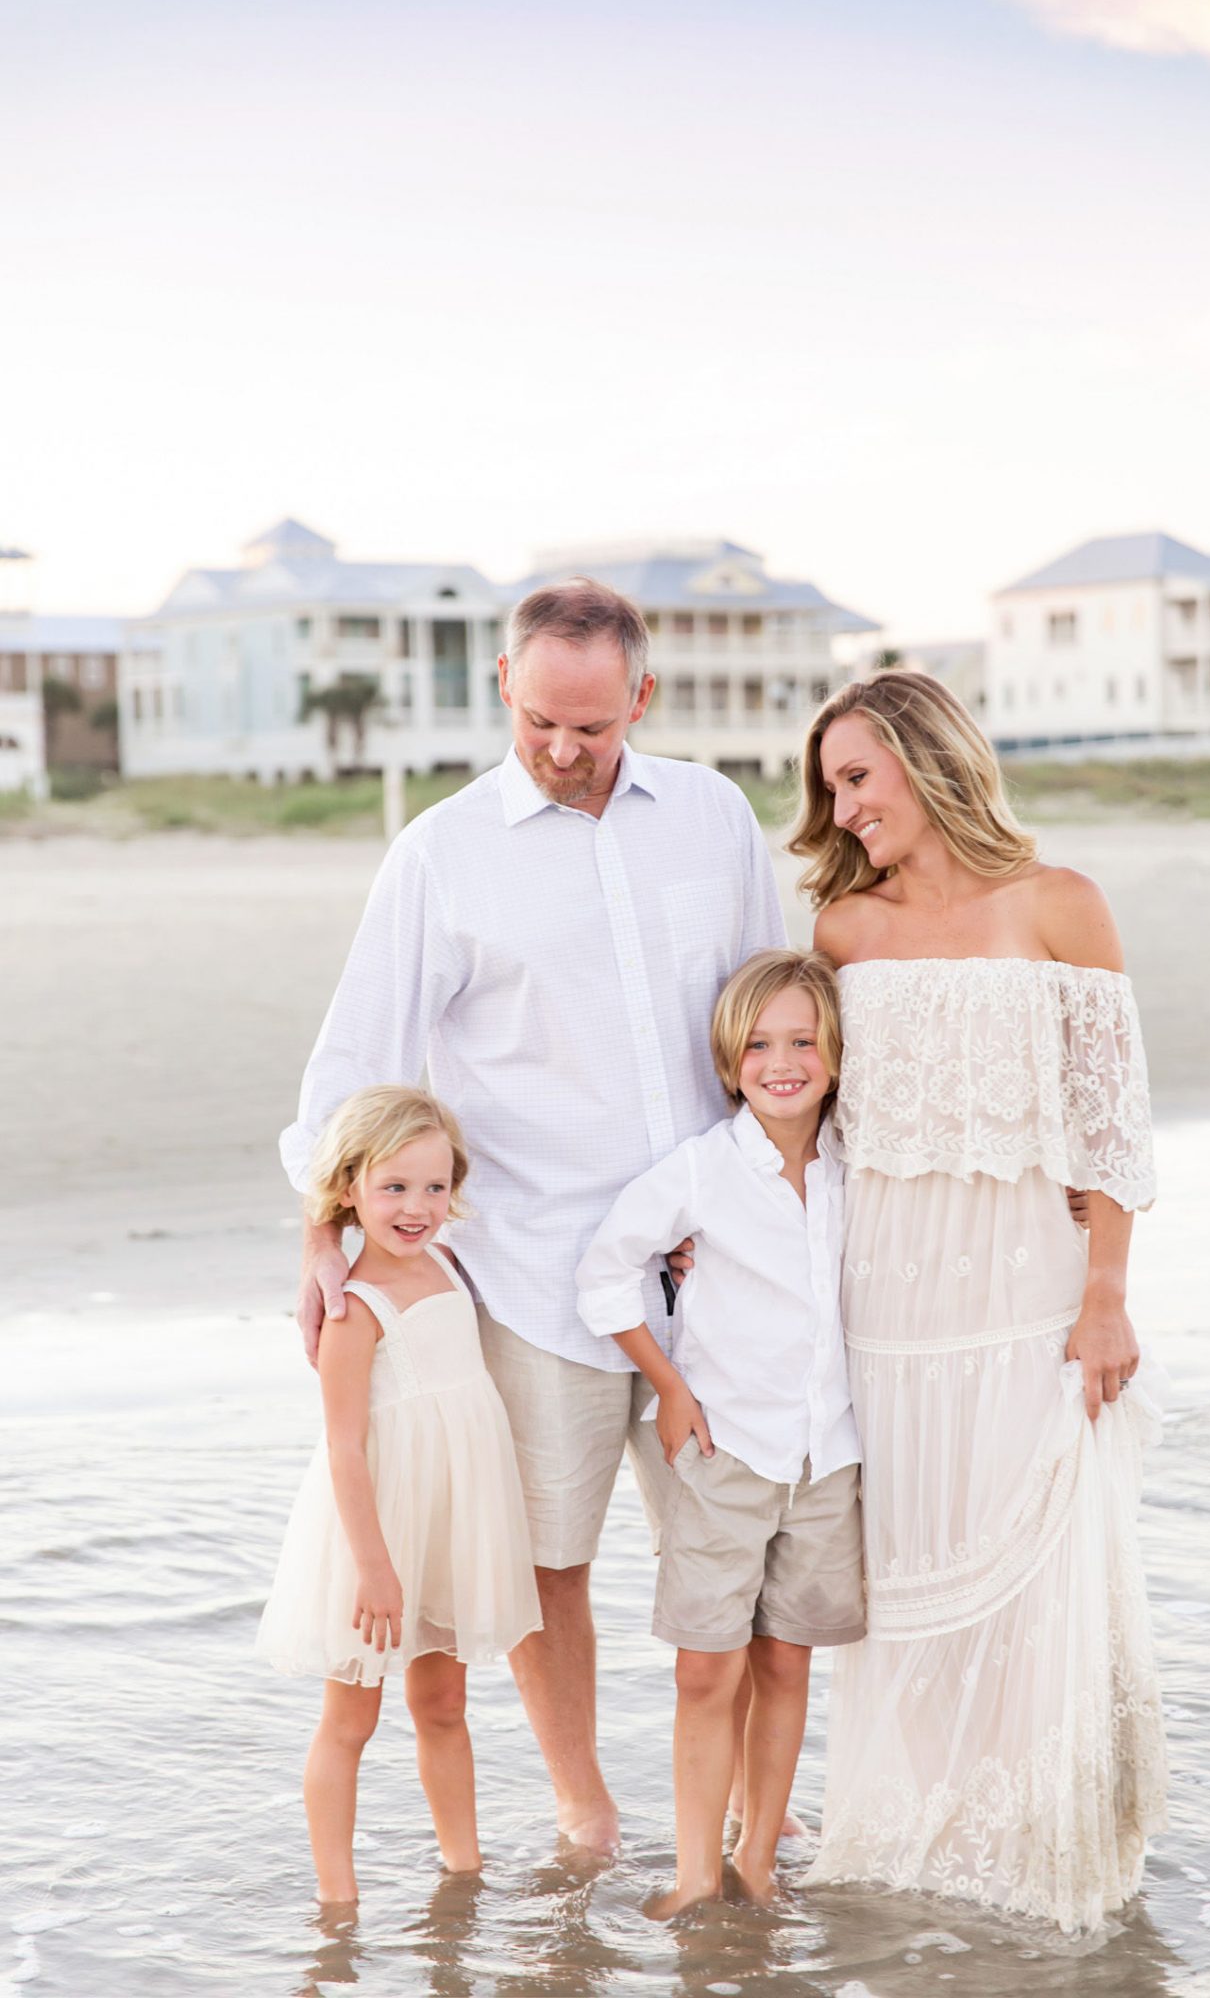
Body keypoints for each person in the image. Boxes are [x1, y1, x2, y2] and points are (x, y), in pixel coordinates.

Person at [282, 578, 786, 1853]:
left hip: (708, 1273)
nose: (563, 751)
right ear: (505, 684)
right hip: (530, 1271)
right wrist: (318, 1232)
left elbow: (774, 1013)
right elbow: (358, 1059)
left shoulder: (715, 817)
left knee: (726, 1553)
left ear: (640, 697)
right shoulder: (442, 853)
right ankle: (587, 1807)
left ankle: (733, 1822)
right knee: (546, 1562)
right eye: (540, 721)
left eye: (593, 727)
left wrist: (765, 1198)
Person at [792, 672, 1168, 1935]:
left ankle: (1037, 1856)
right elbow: (802, 1119)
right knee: (897, 1580)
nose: (842, 809)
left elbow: (1113, 1128)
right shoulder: (842, 930)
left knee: (1035, 1570)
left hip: (1028, 1294)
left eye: (857, 776)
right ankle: (912, 1853)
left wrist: (1106, 1295)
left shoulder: (1060, 905)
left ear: (928, 756)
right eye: (829, 785)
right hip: (882, 1303)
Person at [575, 949, 863, 1913]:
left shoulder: (859, 1166)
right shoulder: (701, 1170)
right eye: (758, 1045)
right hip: (725, 1451)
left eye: (802, 1041)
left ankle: (756, 1860)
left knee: (787, 1659)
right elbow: (603, 1274)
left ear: (833, 1054)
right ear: (729, 1059)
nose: (781, 1062)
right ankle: (696, 1871)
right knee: (708, 1670)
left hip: (831, 1454)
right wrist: (669, 1386)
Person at [257, 1085, 542, 1902]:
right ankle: (337, 1903)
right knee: (351, 1717)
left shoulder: (450, 1265)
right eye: (393, 1188)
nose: (416, 1208)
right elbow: (345, 1448)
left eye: (433, 1187)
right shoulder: (354, 1307)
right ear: (348, 1188)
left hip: (448, 1520)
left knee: (445, 1703)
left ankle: (464, 1871)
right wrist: (374, 1567)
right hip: (374, 1534)